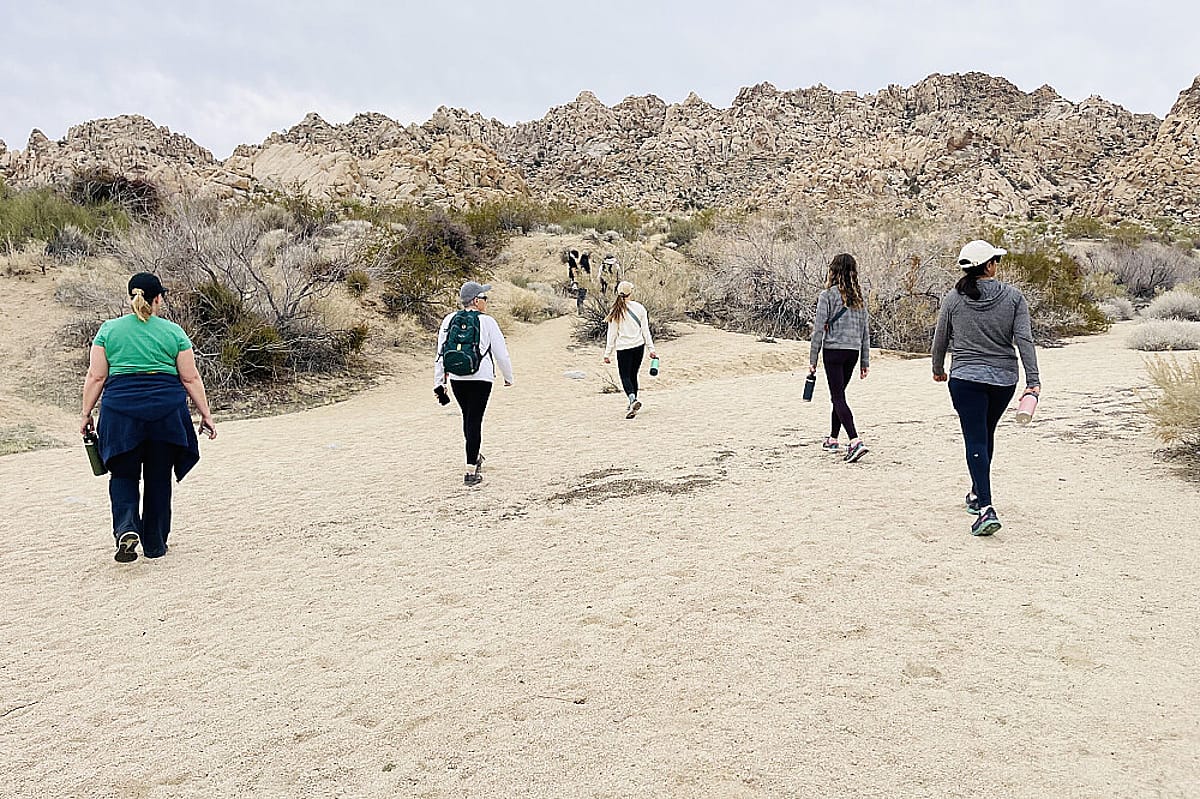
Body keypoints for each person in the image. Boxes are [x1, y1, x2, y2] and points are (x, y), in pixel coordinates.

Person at [79, 272, 217, 563]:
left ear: (131, 296)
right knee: (157, 478)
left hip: (120, 414)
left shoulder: (108, 330)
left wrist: (86, 414)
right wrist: (206, 414)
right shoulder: (173, 332)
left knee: (124, 474)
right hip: (165, 414)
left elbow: (96, 376)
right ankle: (154, 544)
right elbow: (190, 378)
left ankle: (127, 528)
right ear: (158, 299)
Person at [931, 240, 1041, 537]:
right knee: (986, 433)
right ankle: (978, 494)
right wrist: (1033, 380)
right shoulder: (1014, 298)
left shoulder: (953, 299)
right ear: (989, 265)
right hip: (1003, 380)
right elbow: (1024, 341)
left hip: (965, 378)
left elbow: (940, 338)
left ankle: (985, 508)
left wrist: (937, 369)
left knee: (975, 438)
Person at [434, 281, 514, 486]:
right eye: (484, 298)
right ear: (476, 301)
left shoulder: (448, 320)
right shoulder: (487, 322)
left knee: (468, 417)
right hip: (482, 377)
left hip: (457, 378)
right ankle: (471, 470)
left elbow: (441, 353)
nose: (486, 302)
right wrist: (508, 377)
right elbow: (501, 353)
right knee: (475, 419)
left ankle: (475, 457)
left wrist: (439, 382)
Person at [808, 253, 871, 463]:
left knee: (837, 397)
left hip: (833, 351)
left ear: (833, 271)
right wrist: (864, 361)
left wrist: (813, 358)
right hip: (852, 352)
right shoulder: (859, 299)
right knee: (840, 395)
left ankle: (855, 441)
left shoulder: (827, 296)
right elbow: (865, 333)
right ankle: (833, 439)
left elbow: (818, 329)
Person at [603, 281, 657, 419]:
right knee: (633, 375)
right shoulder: (639, 308)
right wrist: (651, 349)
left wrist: (607, 353)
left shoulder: (615, 311)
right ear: (631, 293)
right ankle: (633, 401)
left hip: (623, 348)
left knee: (625, 376)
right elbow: (645, 331)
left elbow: (612, 334)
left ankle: (632, 399)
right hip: (639, 347)